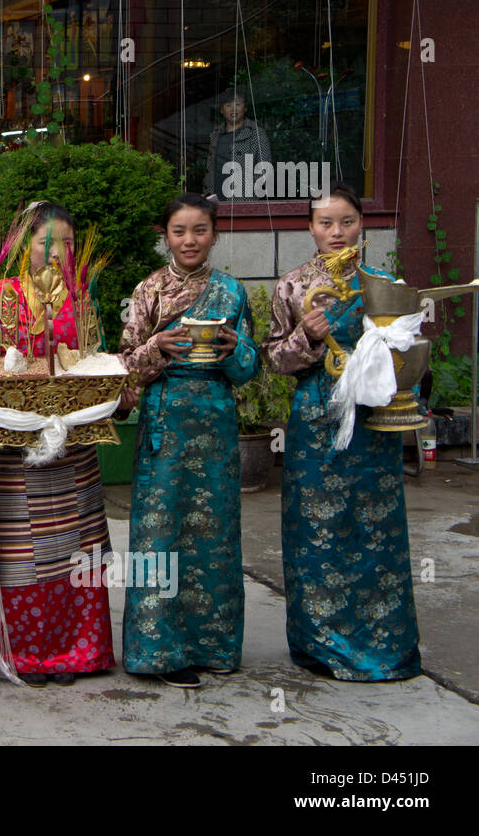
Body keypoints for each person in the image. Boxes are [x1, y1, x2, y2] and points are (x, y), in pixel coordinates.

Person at [262, 182, 421, 681]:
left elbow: (410, 352)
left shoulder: (384, 283)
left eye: (346, 221)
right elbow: (273, 360)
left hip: (375, 418)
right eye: (325, 223)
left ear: (361, 225)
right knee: (317, 531)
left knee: (377, 531)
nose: (336, 232)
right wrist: (305, 335)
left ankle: (386, 648)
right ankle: (320, 645)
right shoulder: (291, 286)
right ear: (310, 228)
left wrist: (392, 342)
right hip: (315, 421)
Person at [0, 202, 118, 685]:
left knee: (75, 546)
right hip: (15, 449)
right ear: (23, 247)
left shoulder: (84, 300)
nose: (57, 255)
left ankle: (77, 651)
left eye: (68, 245)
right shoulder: (1, 297)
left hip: (73, 443)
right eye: (45, 244)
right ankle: (25, 654)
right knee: (20, 553)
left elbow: (94, 363)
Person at [120, 193, 259, 688]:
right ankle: (157, 652)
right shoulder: (149, 291)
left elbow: (248, 369)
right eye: (179, 231)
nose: (189, 240)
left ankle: (214, 646)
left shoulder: (231, 292)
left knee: (213, 536)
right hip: (164, 426)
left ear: (215, 234)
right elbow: (123, 366)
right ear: (166, 236)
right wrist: (156, 347)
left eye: (199, 230)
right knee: (160, 534)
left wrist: (234, 347)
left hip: (215, 428)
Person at [204, 89, 272, 201]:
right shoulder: (215, 135)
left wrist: (246, 190)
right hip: (215, 197)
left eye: (238, 104)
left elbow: (265, 168)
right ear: (222, 109)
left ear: (245, 108)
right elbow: (210, 169)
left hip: (243, 198)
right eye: (228, 105)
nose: (233, 109)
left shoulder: (256, 133)